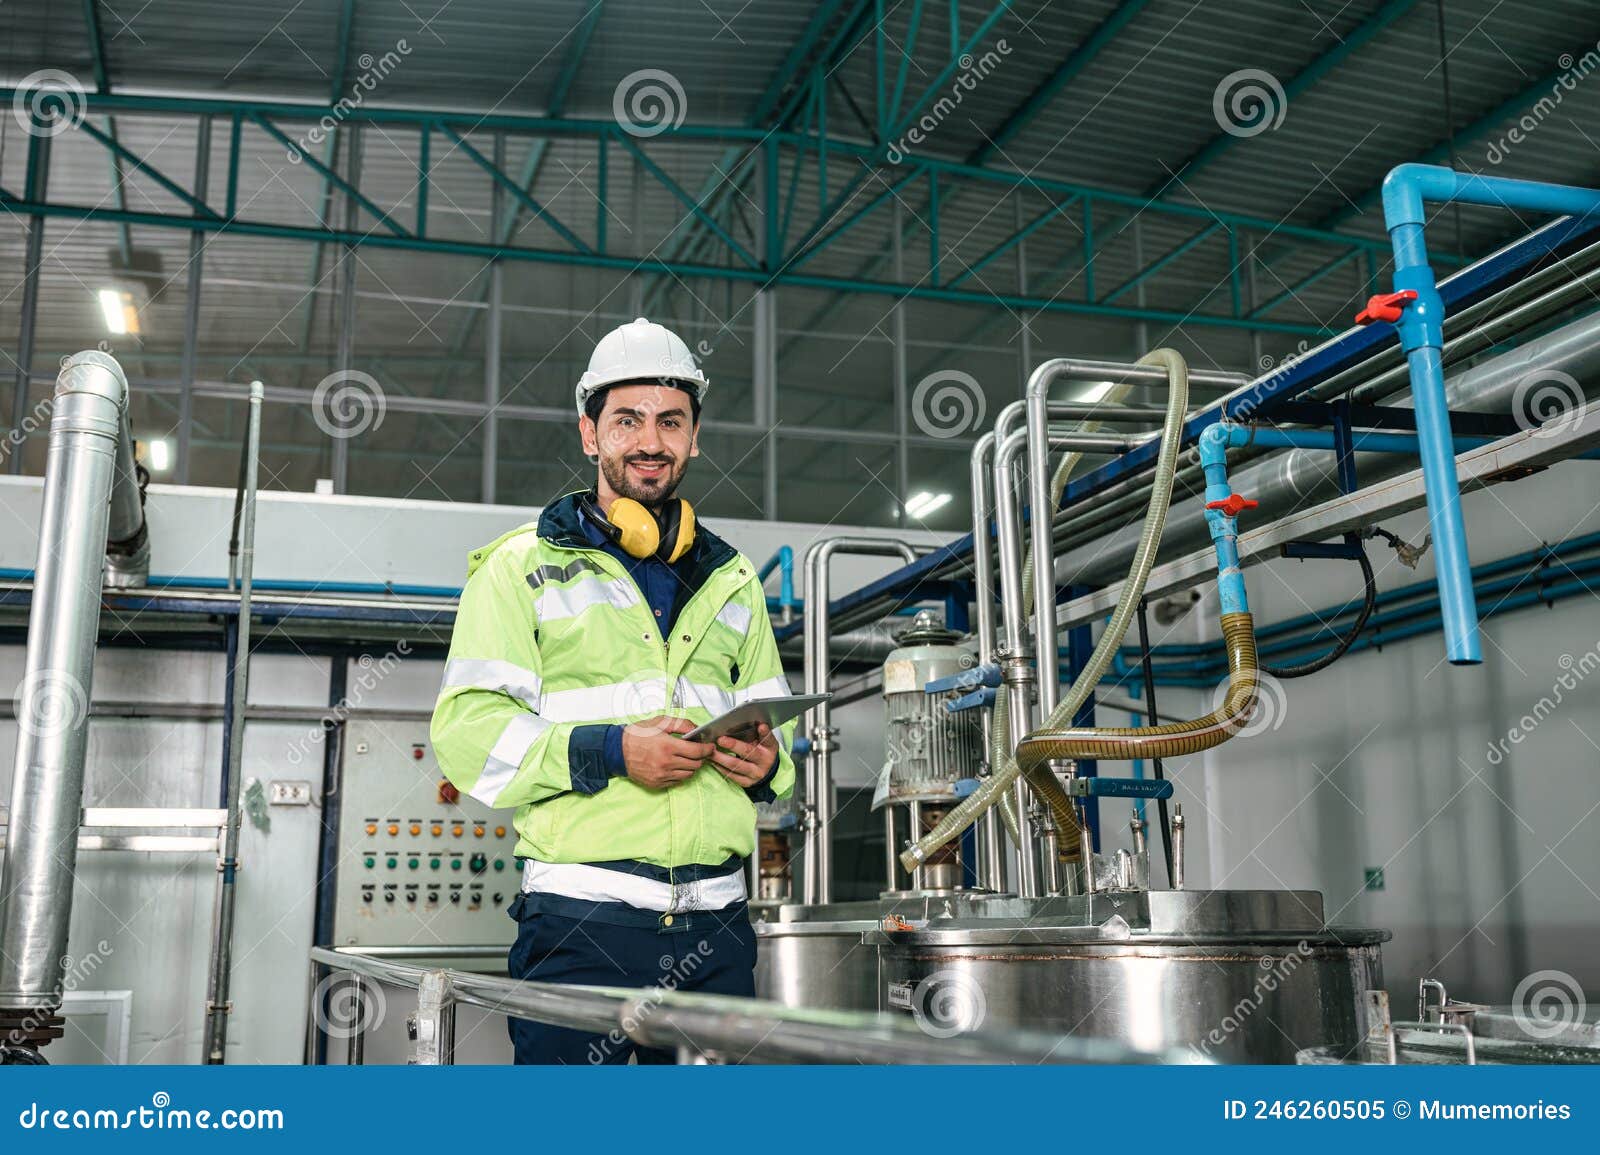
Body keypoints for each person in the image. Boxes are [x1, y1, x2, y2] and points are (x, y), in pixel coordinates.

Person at [430, 317, 795, 1065]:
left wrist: (767, 765)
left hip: (717, 927)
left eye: (671, 421)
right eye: (626, 420)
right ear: (590, 434)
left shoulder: (733, 580)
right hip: (579, 922)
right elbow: (467, 732)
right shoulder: (520, 567)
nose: (650, 441)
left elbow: (773, 734)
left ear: (695, 437)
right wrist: (613, 751)